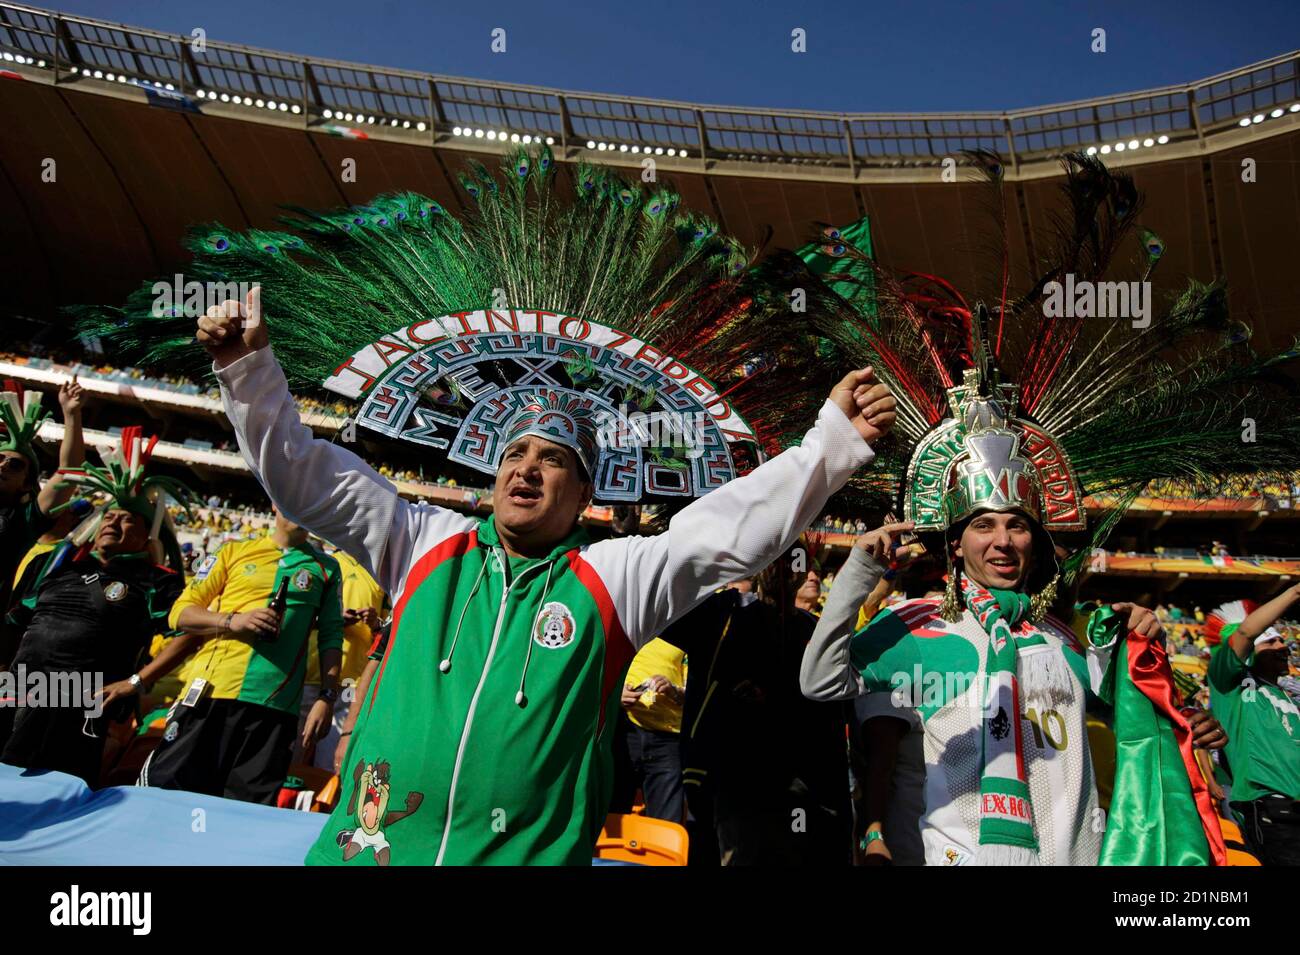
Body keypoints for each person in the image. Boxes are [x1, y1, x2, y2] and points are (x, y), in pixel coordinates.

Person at [194, 288, 894, 865]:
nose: (525, 467)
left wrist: (829, 445)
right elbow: (302, 478)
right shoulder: (421, 540)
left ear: (584, 493)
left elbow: (724, 534)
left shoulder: (612, 576)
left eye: (551, 458)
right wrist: (248, 369)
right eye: (515, 453)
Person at [802, 369, 1226, 866]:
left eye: (1016, 526)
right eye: (983, 525)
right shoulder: (917, 626)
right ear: (956, 546)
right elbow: (819, 682)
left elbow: (1135, 721)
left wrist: (1185, 722)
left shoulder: (1065, 640)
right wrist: (857, 572)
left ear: (1034, 542)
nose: (1002, 541)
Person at [0, 426, 194, 787]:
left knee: (58, 794)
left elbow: (188, 634)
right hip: (15, 690)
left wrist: (136, 683)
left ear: (146, 534)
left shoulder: (157, 580)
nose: (112, 524)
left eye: (126, 520)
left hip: (83, 702)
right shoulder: (56, 564)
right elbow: (15, 622)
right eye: (108, 517)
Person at [138, 504, 344, 805]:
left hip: (274, 706)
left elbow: (331, 637)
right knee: (165, 796)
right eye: (292, 496)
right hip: (209, 694)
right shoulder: (232, 551)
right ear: (274, 501)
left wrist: (327, 697)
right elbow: (179, 613)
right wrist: (231, 620)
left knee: (244, 810)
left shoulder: (326, 567)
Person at [663, 551, 853, 866]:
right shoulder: (721, 613)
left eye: (796, 560)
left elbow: (827, 715)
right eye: (776, 557)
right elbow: (661, 601)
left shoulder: (813, 631)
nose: (786, 568)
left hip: (799, 794)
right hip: (734, 786)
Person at [1207, 583, 1300, 865]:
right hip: (1272, 807)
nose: (1283, 646)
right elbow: (1246, 632)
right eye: (1270, 642)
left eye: (1281, 641)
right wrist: (1295, 591)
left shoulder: (1287, 696)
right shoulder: (1229, 682)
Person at [0, 380, 86, 665]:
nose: (3, 465)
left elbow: (71, 473)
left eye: (15, 465)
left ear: (26, 485)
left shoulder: (20, 520)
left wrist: (71, 414)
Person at [295, 543, 387, 770]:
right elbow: (299, 618)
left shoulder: (380, 575)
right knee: (294, 756)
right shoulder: (324, 564)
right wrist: (332, 619)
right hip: (314, 674)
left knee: (328, 765)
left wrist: (375, 622)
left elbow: (384, 634)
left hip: (350, 683)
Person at [610, 637, 687, 823]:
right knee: (611, 818)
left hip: (667, 739)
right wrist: (616, 693)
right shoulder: (628, 628)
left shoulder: (685, 631)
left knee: (666, 824)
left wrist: (673, 690)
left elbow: (697, 687)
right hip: (623, 731)